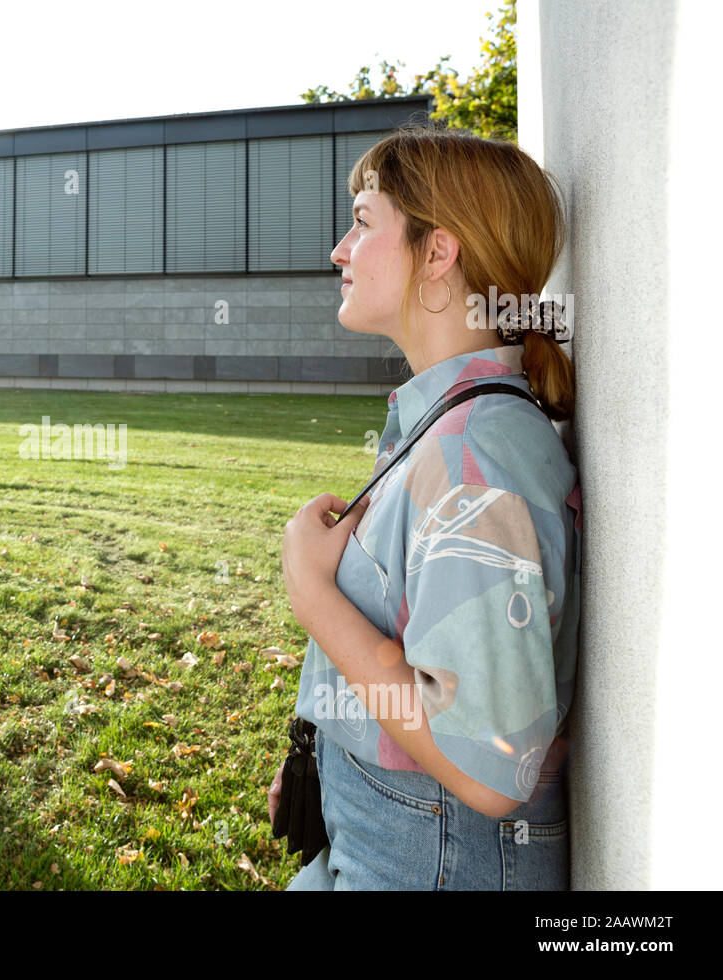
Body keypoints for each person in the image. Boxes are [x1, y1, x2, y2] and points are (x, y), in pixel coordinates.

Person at [270, 125, 581, 890]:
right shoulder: (447, 424)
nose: (340, 250)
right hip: (384, 840)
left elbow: (489, 766)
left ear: (438, 254)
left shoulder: (479, 456)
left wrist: (312, 592)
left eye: (364, 221)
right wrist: (331, 750)